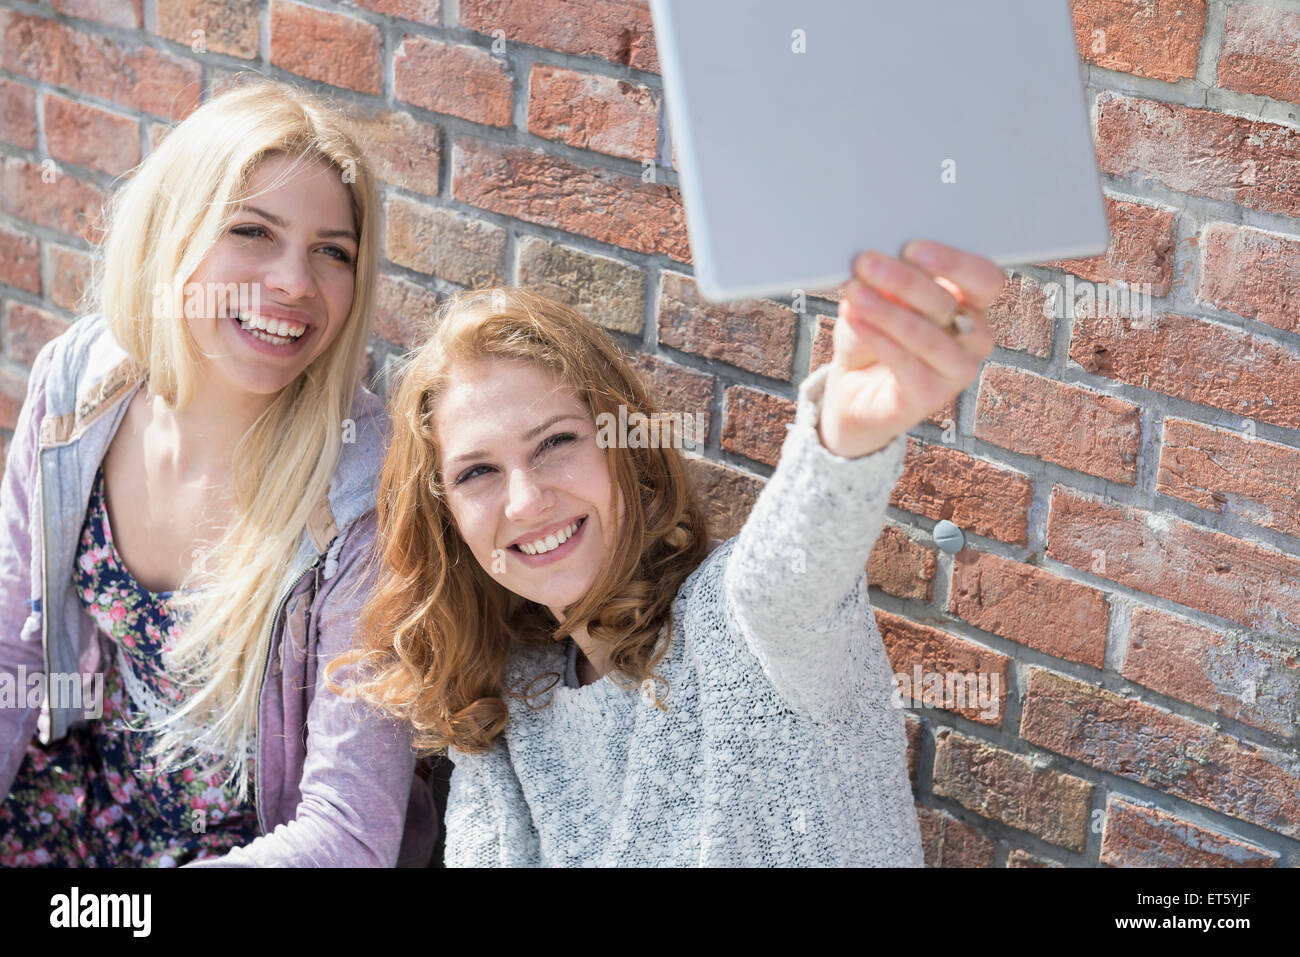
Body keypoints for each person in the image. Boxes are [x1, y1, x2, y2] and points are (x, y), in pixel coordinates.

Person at [335, 242, 1002, 866]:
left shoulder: (738, 628)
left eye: (555, 442)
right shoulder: (509, 694)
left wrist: (842, 436)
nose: (527, 499)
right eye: (477, 472)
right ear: (447, 516)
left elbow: (788, 577)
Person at [0, 80, 436, 867]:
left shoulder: (365, 492)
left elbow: (348, 830)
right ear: (176, 233)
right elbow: (12, 653)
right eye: (253, 231)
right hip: (79, 799)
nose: (295, 283)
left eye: (331, 251)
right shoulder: (76, 389)